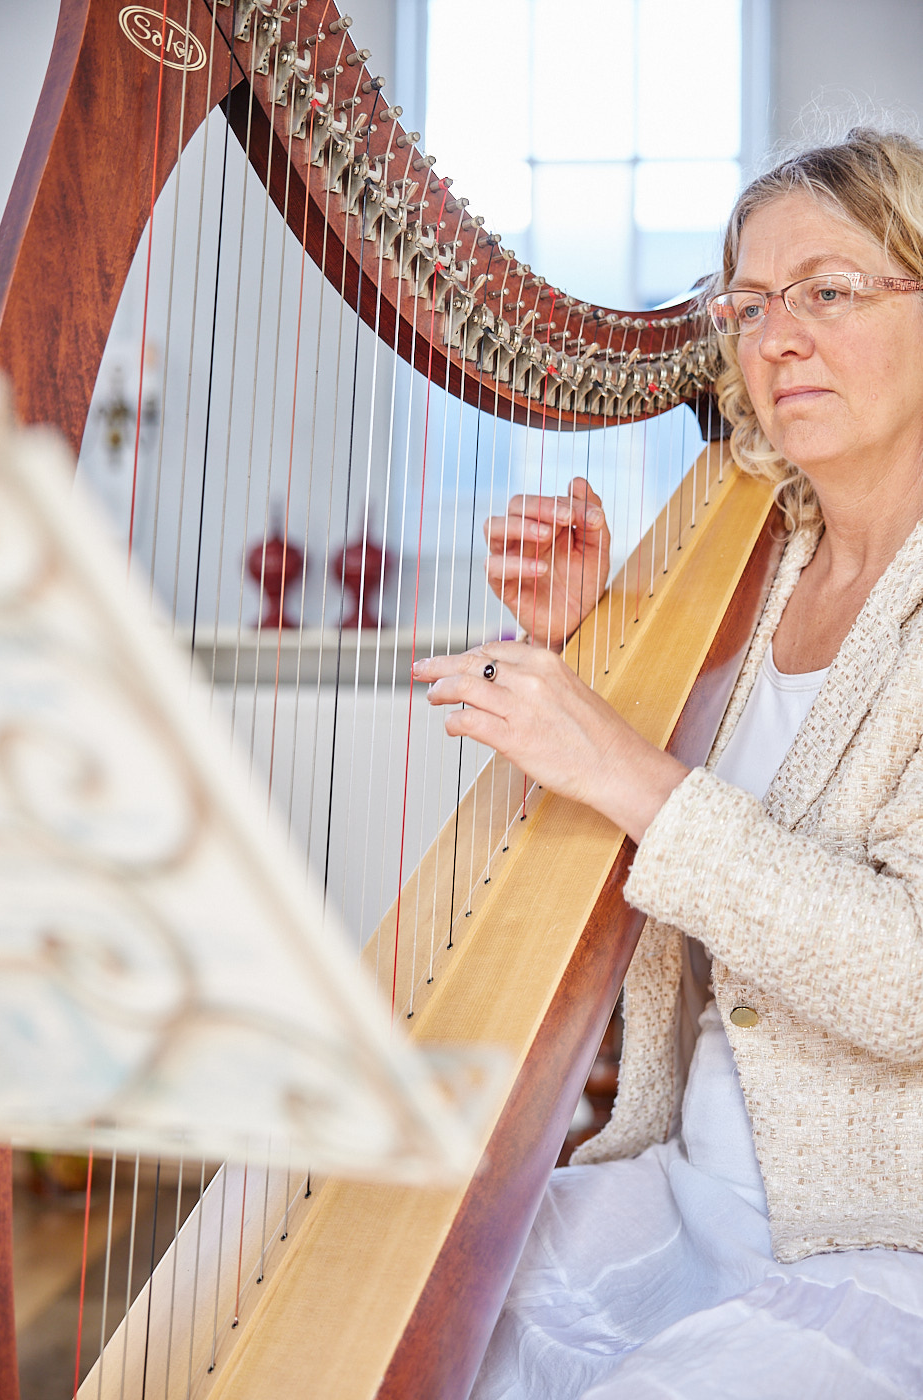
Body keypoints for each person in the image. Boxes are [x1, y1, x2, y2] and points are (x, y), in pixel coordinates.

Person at [412, 127, 923, 1398]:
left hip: (875, 1241)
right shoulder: (761, 561)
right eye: (747, 304)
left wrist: (624, 761)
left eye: (831, 290)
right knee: (420, 1320)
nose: (775, 337)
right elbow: (671, 862)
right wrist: (583, 645)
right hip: (685, 1186)